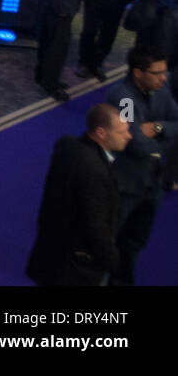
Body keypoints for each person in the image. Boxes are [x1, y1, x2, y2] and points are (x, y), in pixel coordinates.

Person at [25, 104, 131, 286]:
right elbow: (95, 224)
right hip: (76, 267)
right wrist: (111, 260)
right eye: (122, 132)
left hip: (53, 254)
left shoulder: (69, 147)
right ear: (101, 133)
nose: (129, 136)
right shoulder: (95, 172)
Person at [105, 51, 178, 284]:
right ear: (138, 73)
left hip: (151, 183)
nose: (164, 78)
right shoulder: (123, 99)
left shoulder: (161, 91)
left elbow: (176, 122)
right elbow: (133, 142)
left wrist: (156, 128)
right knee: (110, 240)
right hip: (125, 185)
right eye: (157, 73)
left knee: (136, 241)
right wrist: (161, 139)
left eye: (164, 72)